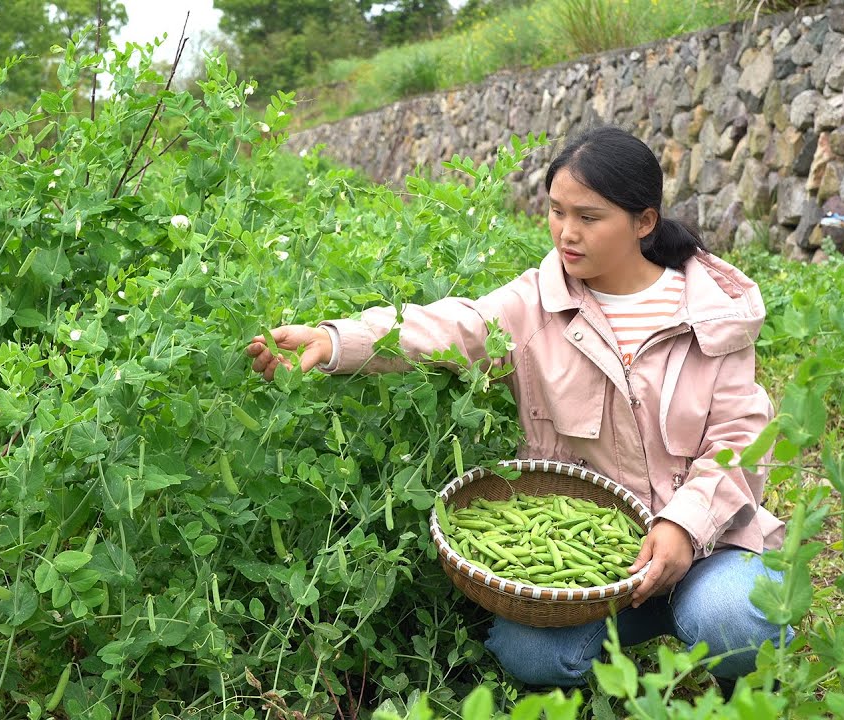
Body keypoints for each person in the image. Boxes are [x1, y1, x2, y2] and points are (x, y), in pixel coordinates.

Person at [243, 126, 791, 696]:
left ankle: (738, 680)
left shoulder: (710, 315)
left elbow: (740, 437)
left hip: (707, 549)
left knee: (735, 619)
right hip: (595, 562)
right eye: (556, 211)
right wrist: (336, 341)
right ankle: (611, 673)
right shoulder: (535, 305)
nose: (566, 233)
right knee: (530, 652)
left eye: (589, 217)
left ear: (644, 222)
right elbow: (452, 326)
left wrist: (683, 525)